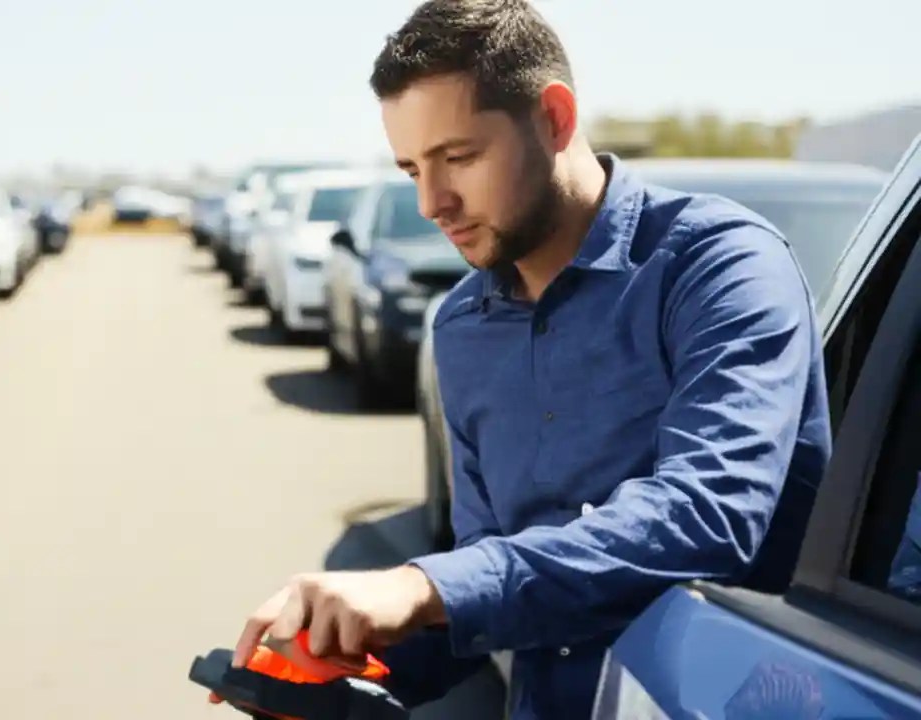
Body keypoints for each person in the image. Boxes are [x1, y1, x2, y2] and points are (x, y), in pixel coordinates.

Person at [216, 0, 832, 717]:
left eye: (458, 158)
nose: (430, 202)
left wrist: (423, 587)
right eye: (411, 168)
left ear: (556, 119)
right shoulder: (461, 328)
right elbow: (495, 584)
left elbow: (709, 514)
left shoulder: (719, 266)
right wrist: (343, 673)